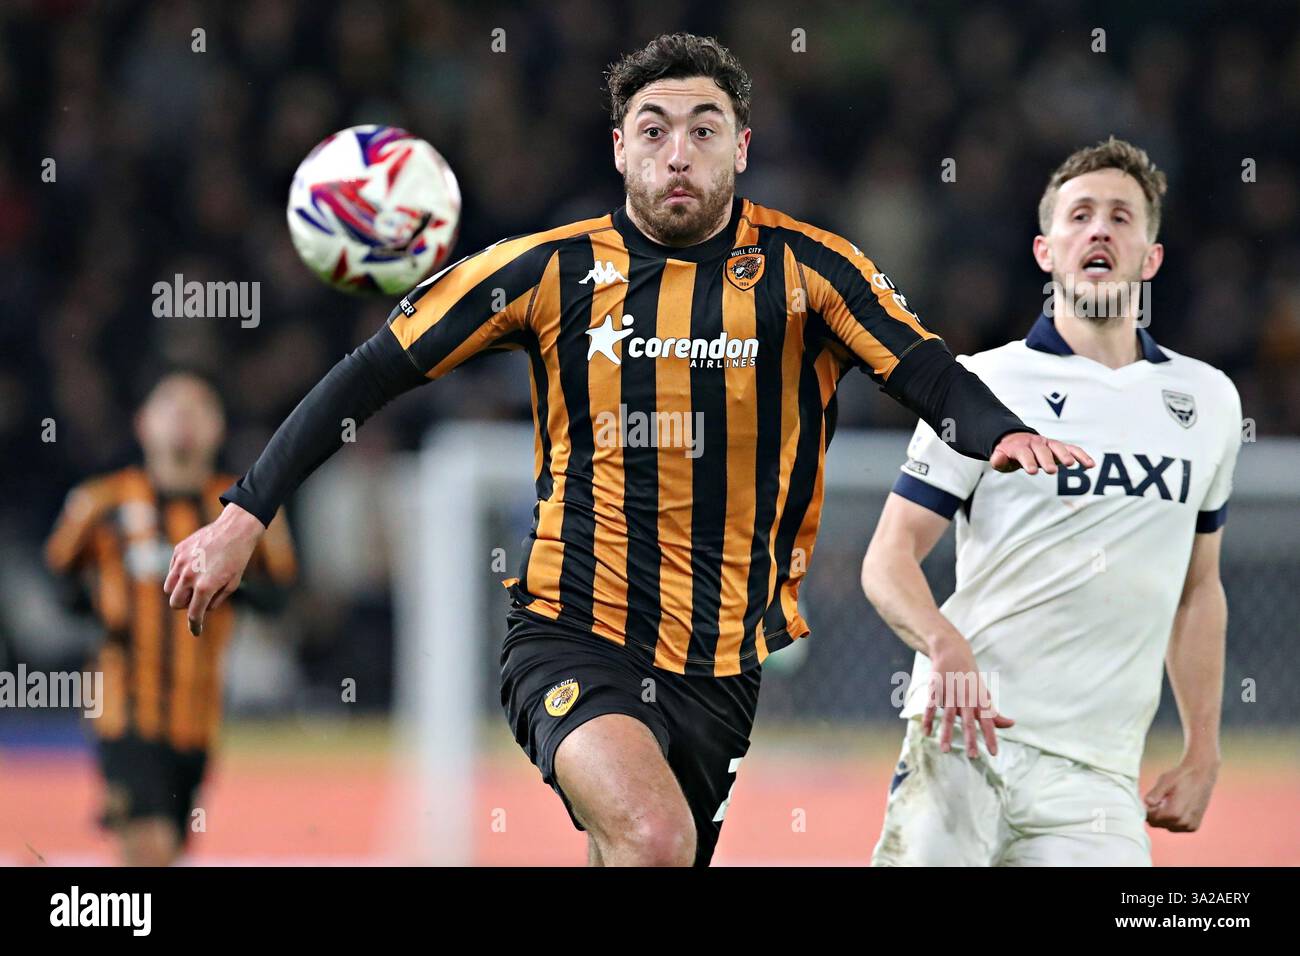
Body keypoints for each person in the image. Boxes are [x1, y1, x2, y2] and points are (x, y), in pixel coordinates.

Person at [164, 33, 1088, 867]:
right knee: (653, 838)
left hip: (724, 666)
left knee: (652, 856)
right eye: (652, 130)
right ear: (619, 149)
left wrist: (999, 427)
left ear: (742, 149)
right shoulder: (546, 270)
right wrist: (245, 511)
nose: (677, 152)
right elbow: (369, 374)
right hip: (572, 632)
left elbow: (924, 370)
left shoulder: (811, 271)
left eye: (703, 129)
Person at [862, 137, 1240, 866]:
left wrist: (1204, 750)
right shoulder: (978, 385)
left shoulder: (1210, 401)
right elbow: (889, 557)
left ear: (1151, 258)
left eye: (1122, 217)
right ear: (1046, 250)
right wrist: (944, 644)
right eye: (1081, 215)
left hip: (1097, 778)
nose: (1100, 230)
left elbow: (1199, 590)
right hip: (963, 744)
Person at [45, 368, 296, 865]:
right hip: (124, 707)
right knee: (150, 845)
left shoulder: (245, 514)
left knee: (169, 850)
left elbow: (280, 593)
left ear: (218, 427)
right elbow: (59, 576)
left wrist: (228, 584)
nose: (184, 415)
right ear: (143, 424)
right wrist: (106, 607)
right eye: (171, 404)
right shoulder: (101, 502)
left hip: (199, 714)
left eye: (199, 405)